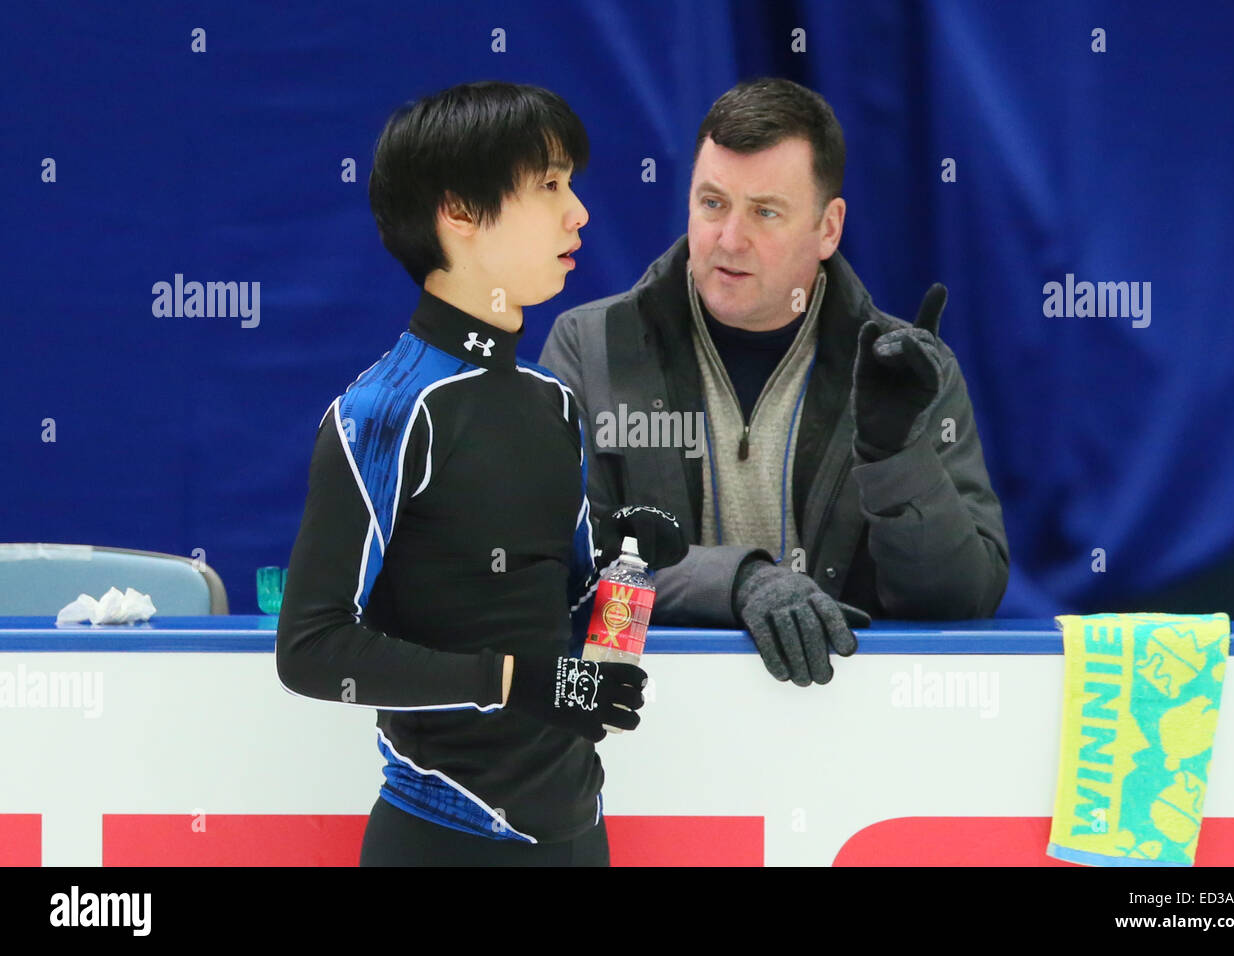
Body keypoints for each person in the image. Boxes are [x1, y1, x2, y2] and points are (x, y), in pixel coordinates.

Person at [275, 81, 686, 867]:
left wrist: (623, 567)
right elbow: (311, 647)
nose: (580, 213)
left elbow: (558, 624)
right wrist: (510, 679)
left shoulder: (553, 403)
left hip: (578, 829)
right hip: (444, 837)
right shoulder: (386, 412)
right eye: (550, 185)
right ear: (458, 211)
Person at [540, 77, 1009, 688]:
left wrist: (896, 460)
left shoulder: (911, 369)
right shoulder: (589, 346)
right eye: (712, 204)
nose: (729, 239)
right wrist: (740, 581)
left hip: (842, 719)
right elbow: (565, 565)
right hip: (654, 720)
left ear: (828, 228)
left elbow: (963, 603)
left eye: (765, 212)